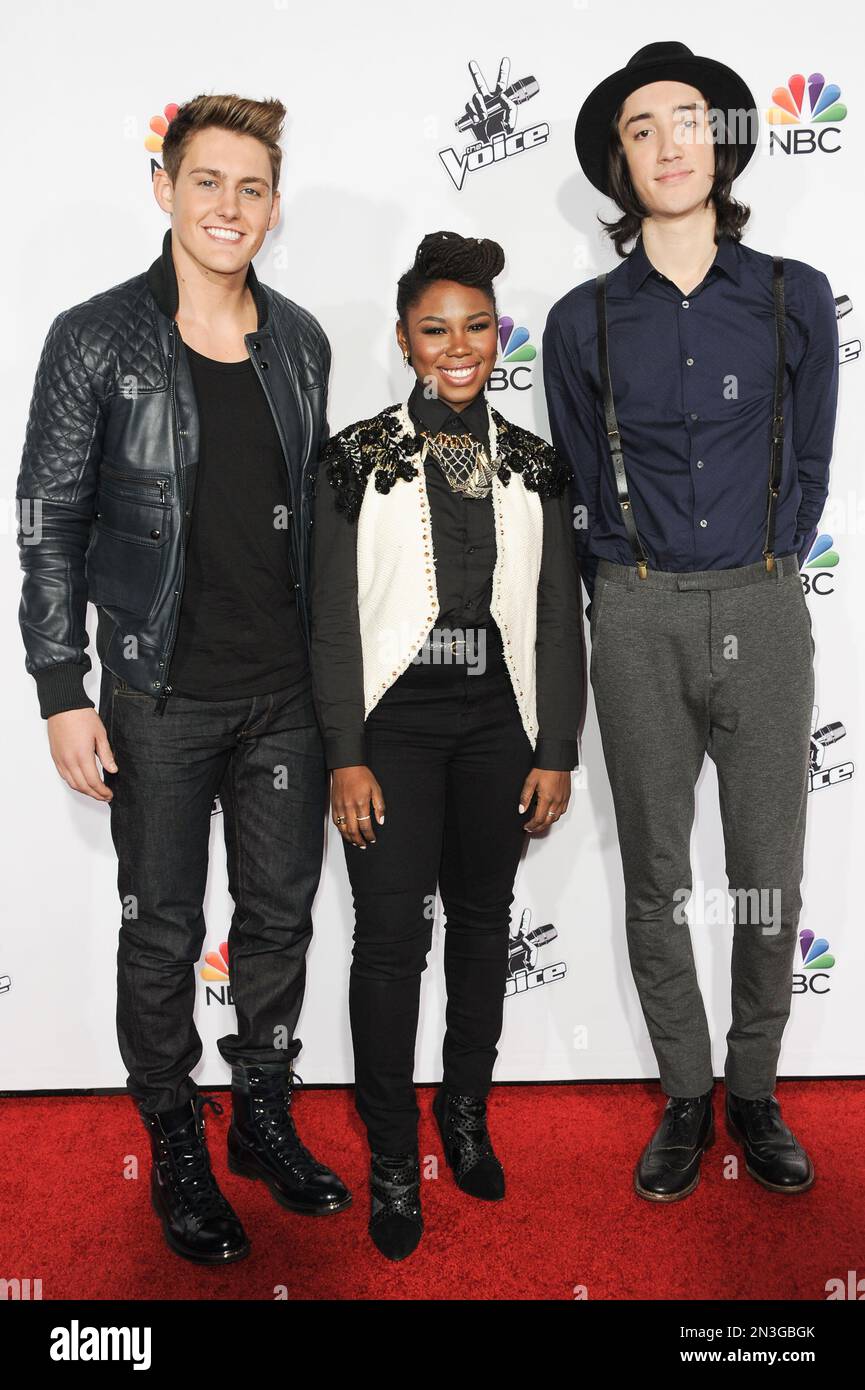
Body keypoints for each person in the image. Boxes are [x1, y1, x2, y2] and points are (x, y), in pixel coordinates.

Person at [15, 93, 351, 1265]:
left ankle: (259, 1108)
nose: (229, 206)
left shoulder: (300, 339)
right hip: (157, 695)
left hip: (284, 698)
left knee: (276, 919)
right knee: (161, 931)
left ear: (272, 205)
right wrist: (61, 684)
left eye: (251, 187)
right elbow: (49, 518)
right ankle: (172, 1137)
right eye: (207, 181)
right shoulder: (95, 335)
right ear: (164, 188)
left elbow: (318, 524)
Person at [543, 42, 839, 1202]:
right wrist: (627, 583)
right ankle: (682, 1092)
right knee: (656, 873)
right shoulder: (579, 322)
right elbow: (575, 479)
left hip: (762, 608)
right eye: (639, 129)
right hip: (636, 611)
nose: (668, 142)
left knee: (767, 872)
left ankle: (754, 1090)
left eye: (686, 119)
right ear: (618, 165)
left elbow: (810, 458)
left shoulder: (791, 294)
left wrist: (763, 565)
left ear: (721, 137)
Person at [309, 230, 584, 1259]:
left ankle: (461, 1114)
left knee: (482, 924)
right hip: (392, 729)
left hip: (497, 729)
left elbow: (560, 613)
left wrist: (554, 745)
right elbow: (332, 618)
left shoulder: (533, 461)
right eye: (435, 329)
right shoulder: (352, 454)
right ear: (404, 339)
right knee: (386, 939)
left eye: (475, 326)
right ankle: (389, 1155)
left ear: (498, 333)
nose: (457, 346)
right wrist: (344, 751)